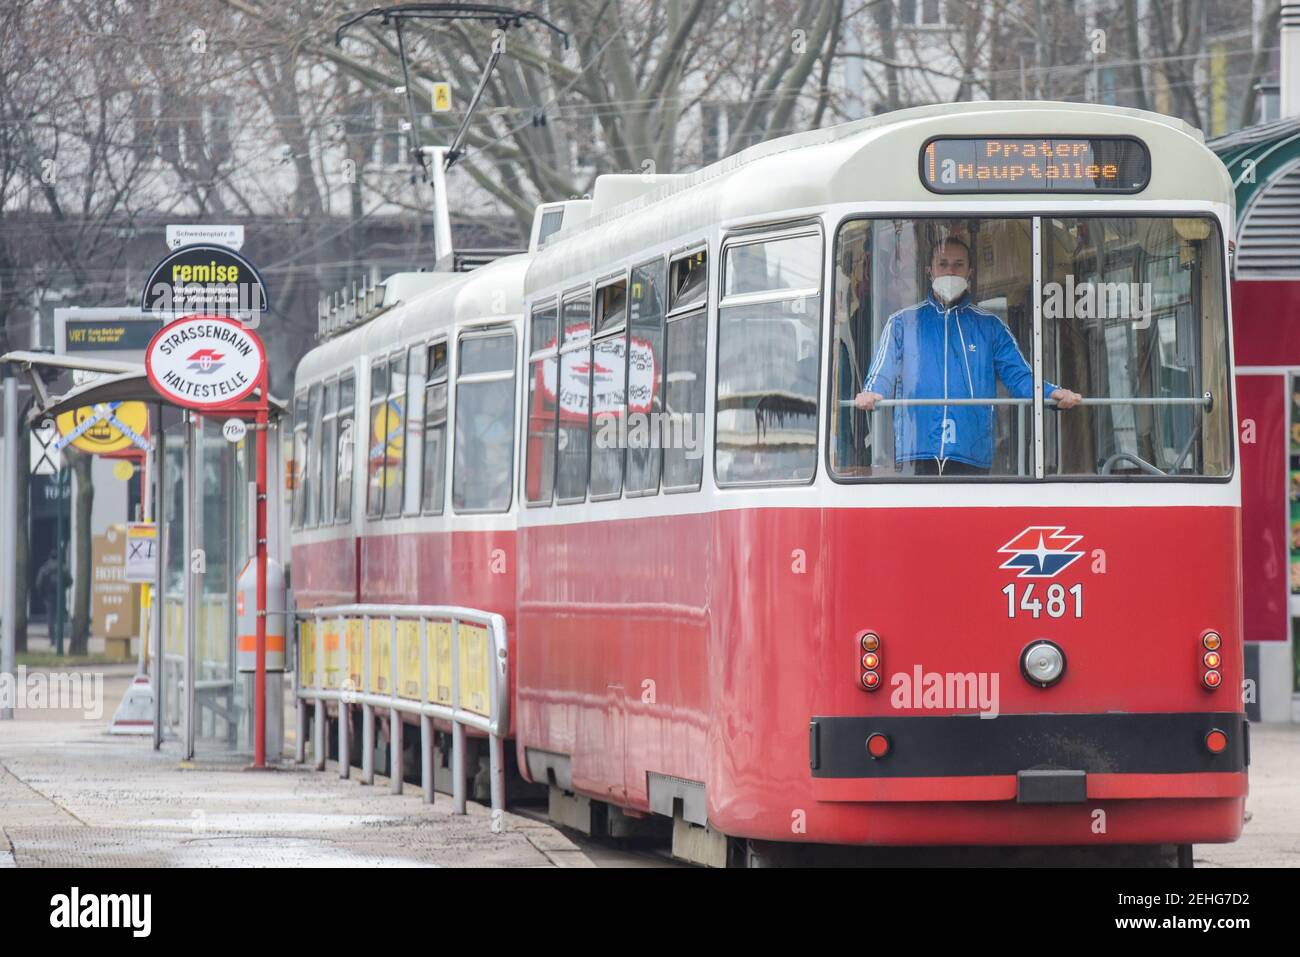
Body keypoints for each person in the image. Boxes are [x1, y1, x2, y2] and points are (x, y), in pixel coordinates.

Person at [854, 237, 1082, 475]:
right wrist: (872, 392)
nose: (950, 271)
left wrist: (1051, 393)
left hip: (971, 448)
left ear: (969, 272)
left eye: (958, 264)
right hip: (917, 448)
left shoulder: (990, 326)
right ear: (929, 271)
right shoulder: (902, 322)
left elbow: (1019, 376)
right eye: (942, 264)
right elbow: (883, 370)